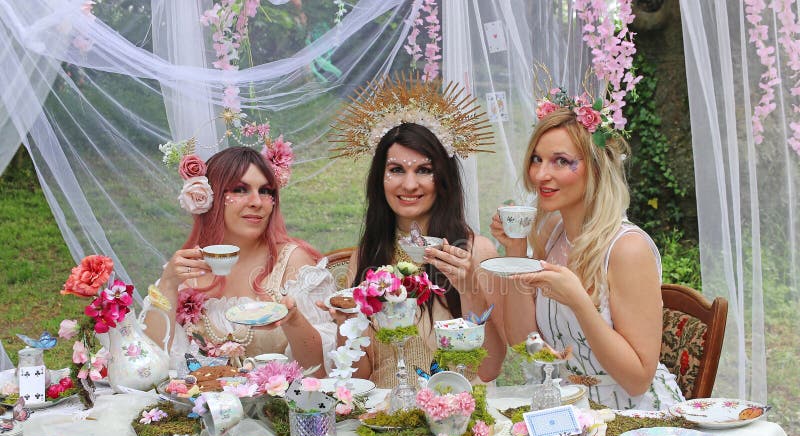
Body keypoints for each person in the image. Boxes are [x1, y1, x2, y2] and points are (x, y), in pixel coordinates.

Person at [491, 95, 684, 410]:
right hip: (568, 407)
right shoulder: (552, 234)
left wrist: (581, 303)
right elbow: (522, 344)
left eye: (561, 161)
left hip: (632, 415)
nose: (540, 175)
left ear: (596, 166)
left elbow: (637, 380)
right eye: (537, 159)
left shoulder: (626, 249)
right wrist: (515, 250)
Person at [329, 77, 507, 388]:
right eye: (397, 170)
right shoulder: (367, 257)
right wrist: (346, 329)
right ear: (380, 179)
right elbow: (359, 379)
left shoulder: (476, 252)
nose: (409, 185)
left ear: (444, 178)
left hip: (459, 422)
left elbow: (489, 368)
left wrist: (468, 287)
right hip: (384, 423)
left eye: (423, 170)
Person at [144, 146, 335, 377]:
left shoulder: (293, 263)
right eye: (240, 189)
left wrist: (293, 320)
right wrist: (168, 285)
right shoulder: (187, 268)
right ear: (210, 196)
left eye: (265, 191)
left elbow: (318, 372)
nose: (257, 202)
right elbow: (149, 364)